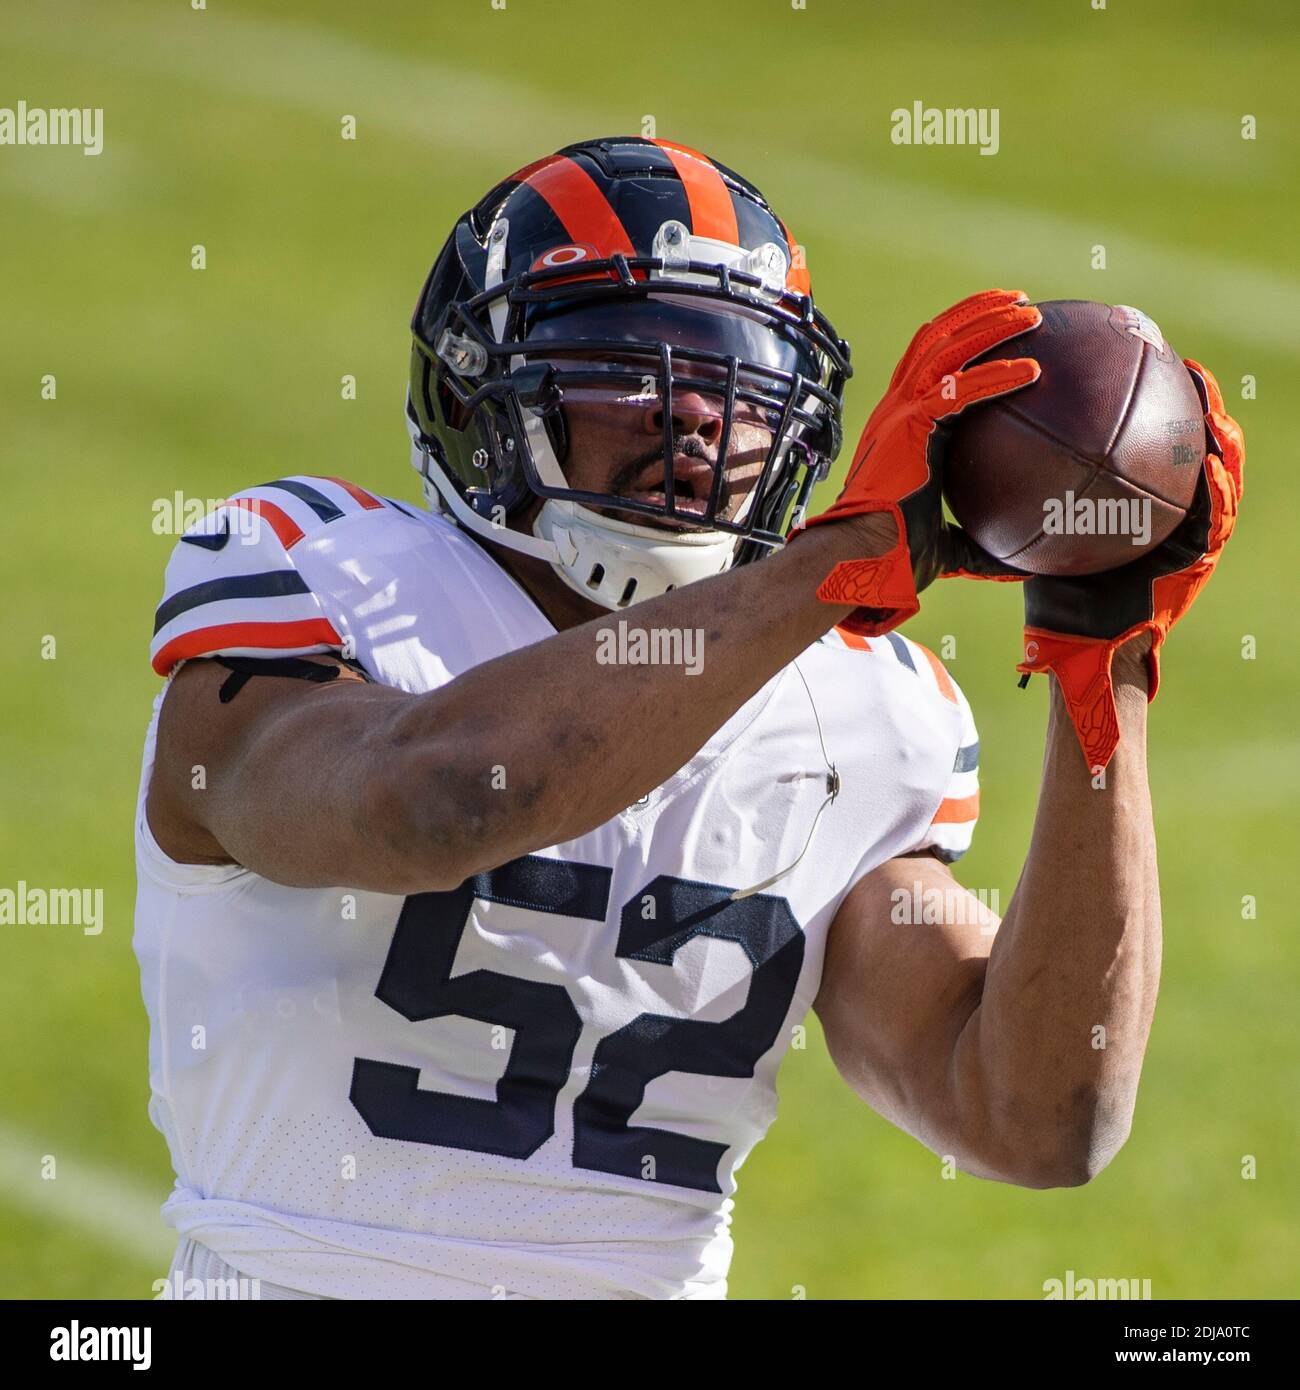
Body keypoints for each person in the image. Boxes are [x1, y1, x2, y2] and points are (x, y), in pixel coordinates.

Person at [134, 136, 1243, 1300]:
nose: (696, 415)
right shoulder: (321, 572)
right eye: (630, 366)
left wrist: (1101, 672)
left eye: (736, 377)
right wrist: (827, 573)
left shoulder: (865, 708)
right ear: (473, 392)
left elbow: (1036, 1117)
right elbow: (438, 802)